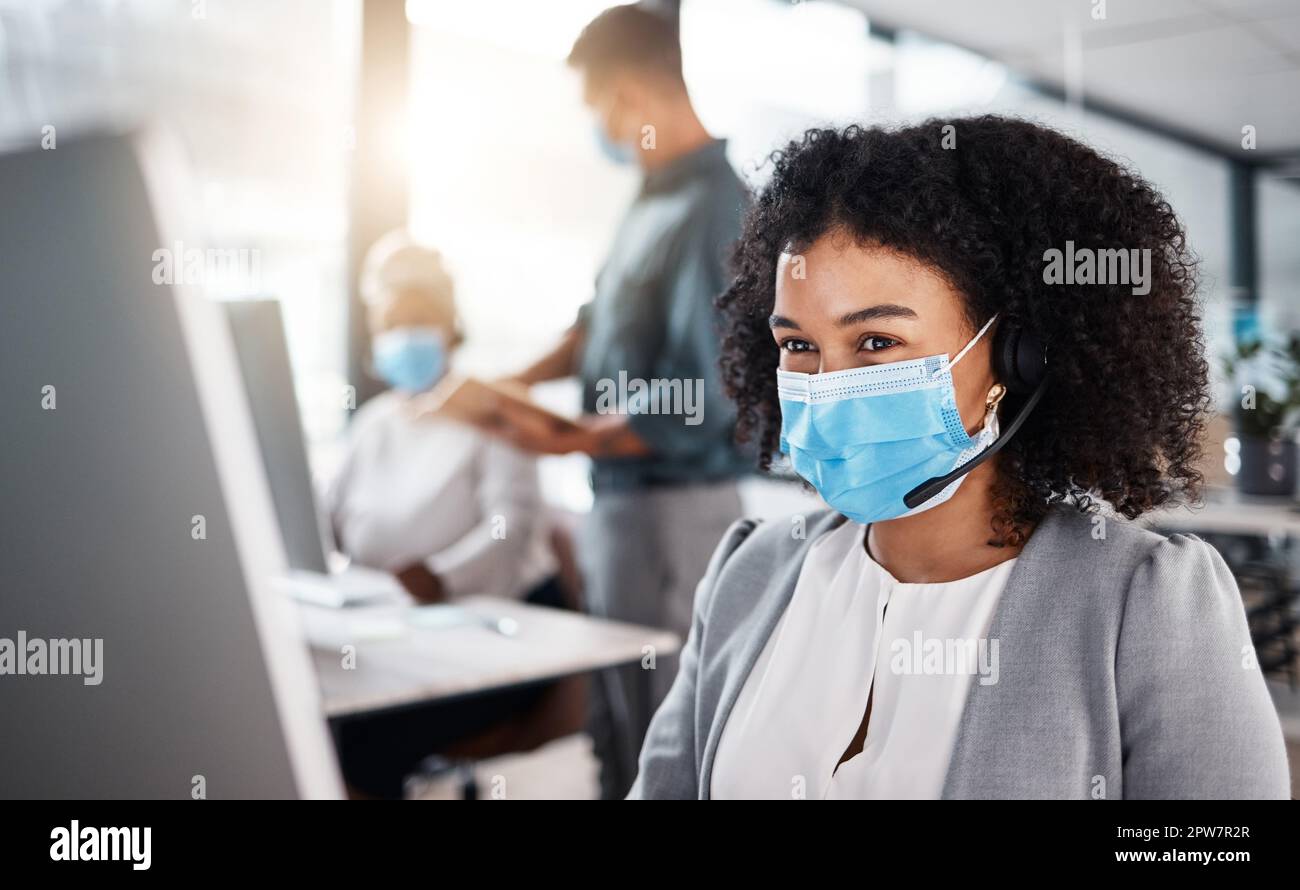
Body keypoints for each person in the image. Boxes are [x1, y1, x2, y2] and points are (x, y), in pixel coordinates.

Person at [629, 116, 1292, 799]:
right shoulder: (748, 574)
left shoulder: (1147, 603)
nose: (826, 388)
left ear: (1014, 358)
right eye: (798, 345)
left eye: (877, 342)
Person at [477, 5, 752, 799]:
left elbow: (708, 394)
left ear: (632, 94)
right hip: (623, 507)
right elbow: (596, 325)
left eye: (598, 107)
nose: (600, 128)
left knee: (664, 744)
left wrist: (574, 439)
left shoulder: (717, 208)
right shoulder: (649, 198)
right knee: (615, 733)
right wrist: (509, 387)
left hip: (673, 513)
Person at [326, 232, 564, 798]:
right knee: (318, 715)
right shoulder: (373, 425)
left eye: (420, 318)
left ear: (450, 326)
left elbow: (511, 530)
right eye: (393, 322)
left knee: (361, 743)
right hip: (395, 633)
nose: (405, 334)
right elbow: (325, 517)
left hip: (494, 639)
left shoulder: (491, 413)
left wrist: (440, 577)